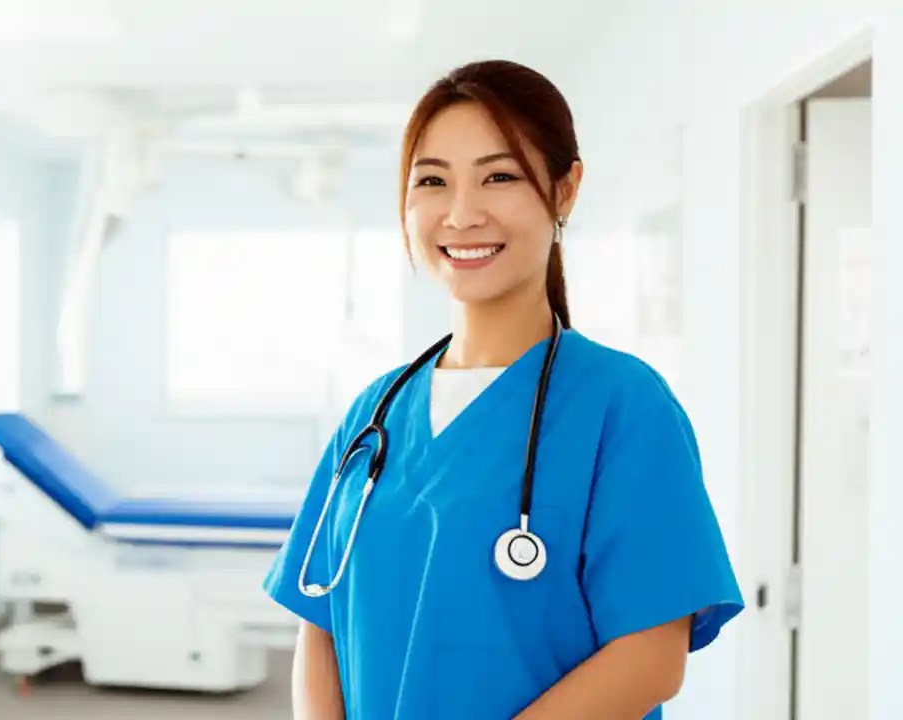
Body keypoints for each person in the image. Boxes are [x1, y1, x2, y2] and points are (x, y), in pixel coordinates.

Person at [261, 60, 744, 720]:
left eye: (499, 176)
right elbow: (319, 619)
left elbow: (650, 658)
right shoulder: (375, 411)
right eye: (433, 180)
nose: (462, 214)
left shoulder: (624, 405)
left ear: (565, 190)